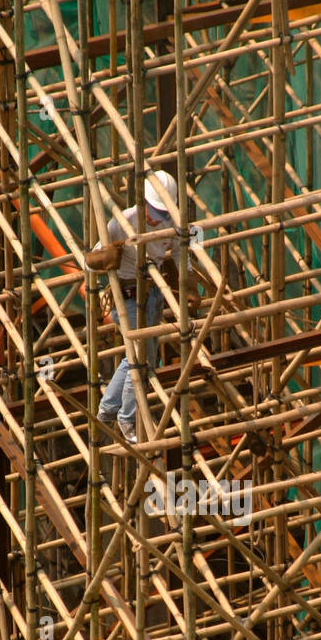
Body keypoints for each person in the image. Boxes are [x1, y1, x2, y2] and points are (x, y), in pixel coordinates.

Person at [85, 171, 196, 444]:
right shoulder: (124, 221)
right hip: (128, 297)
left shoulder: (174, 221)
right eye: (155, 212)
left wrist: (188, 284)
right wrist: (107, 256)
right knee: (139, 359)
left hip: (154, 294)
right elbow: (89, 261)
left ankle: (108, 409)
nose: (157, 219)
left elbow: (183, 253)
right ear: (144, 202)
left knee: (142, 358)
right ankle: (126, 417)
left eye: (162, 213)